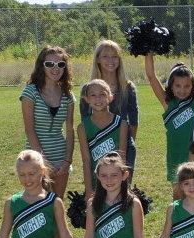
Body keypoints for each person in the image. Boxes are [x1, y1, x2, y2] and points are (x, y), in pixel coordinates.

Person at [144, 53, 194, 189]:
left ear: (192, 86)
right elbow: (151, 76)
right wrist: (149, 51)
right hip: (175, 155)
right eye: (178, 85)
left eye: (187, 86)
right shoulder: (167, 103)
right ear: (171, 86)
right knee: (178, 193)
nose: (182, 90)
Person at [80, 40, 139, 178]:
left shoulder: (127, 87)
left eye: (114, 56)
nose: (110, 60)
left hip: (123, 146)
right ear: (98, 59)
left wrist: (126, 144)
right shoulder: (87, 89)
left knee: (121, 185)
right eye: (105, 56)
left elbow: (134, 122)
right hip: (98, 145)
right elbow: (85, 120)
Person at [21, 46, 75, 196]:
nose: (55, 68)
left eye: (60, 64)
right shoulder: (30, 92)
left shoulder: (68, 95)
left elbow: (70, 130)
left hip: (61, 159)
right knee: (40, 201)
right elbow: (29, 130)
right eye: (50, 64)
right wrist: (42, 162)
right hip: (36, 158)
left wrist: (67, 161)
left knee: (58, 201)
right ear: (41, 66)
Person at [77, 79, 128, 199]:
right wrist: (89, 190)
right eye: (93, 95)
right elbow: (86, 161)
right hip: (97, 181)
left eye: (102, 94)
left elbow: (122, 158)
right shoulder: (82, 127)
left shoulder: (121, 124)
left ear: (110, 97)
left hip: (116, 182)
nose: (98, 99)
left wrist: (123, 187)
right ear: (86, 99)